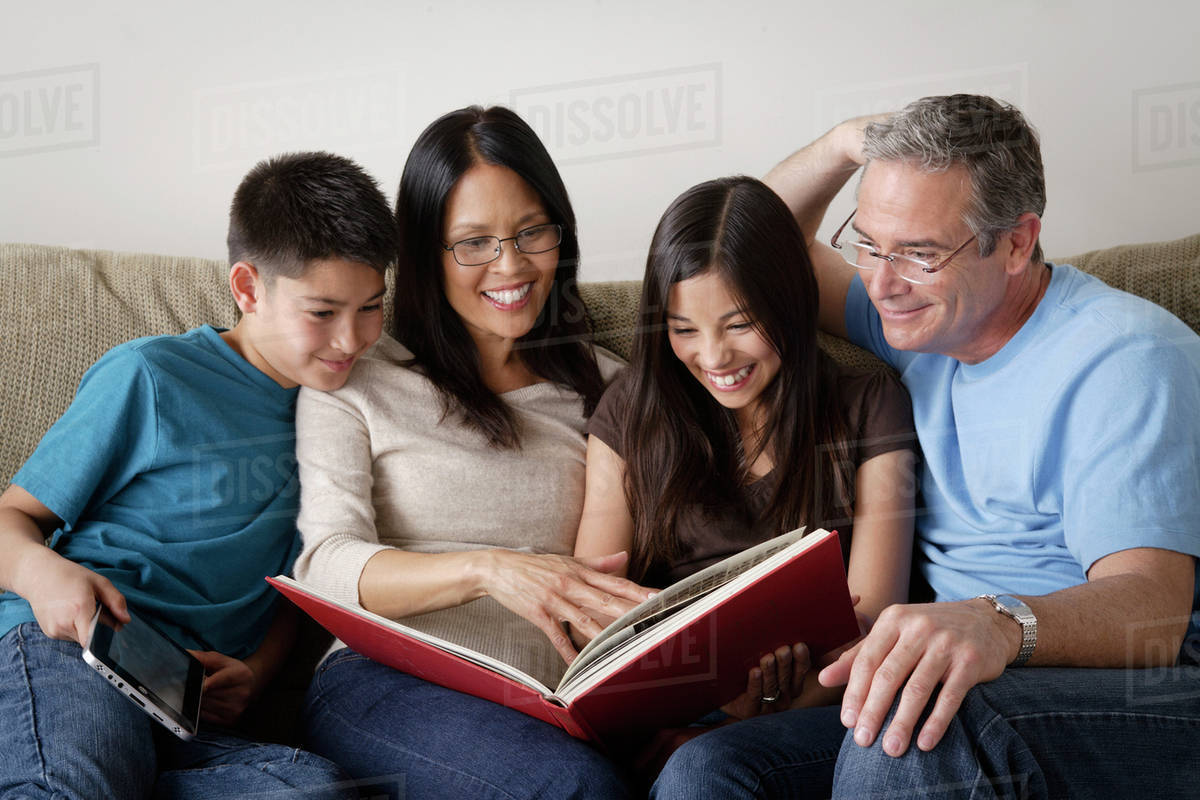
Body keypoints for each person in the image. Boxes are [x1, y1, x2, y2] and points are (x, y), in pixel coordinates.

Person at [750, 94, 1200, 798]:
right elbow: (756, 243)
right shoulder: (922, 322)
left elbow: (1154, 610)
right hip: (966, 679)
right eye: (867, 243)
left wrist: (997, 623)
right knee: (714, 768)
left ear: (1017, 242)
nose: (882, 281)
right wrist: (843, 142)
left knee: (913, 739)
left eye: (920, 254)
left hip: (1143, 687)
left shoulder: (1126, 357)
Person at [0, 151, 398, 799]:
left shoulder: (344, 419)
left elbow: (302, 583)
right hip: (68, 656)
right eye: (322, 312)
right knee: (70, 782)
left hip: (179, 711)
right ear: (248, 289)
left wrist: (257, 672)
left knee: (315, 791)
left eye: (372, 307)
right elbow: (11, 519)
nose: (351, 341)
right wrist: (42, 574)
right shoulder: (151, 375)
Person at [294, 105, 651, 799]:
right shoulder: (356, 380)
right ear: (426, 254)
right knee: (574, 790)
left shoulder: (615, 390)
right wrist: (492, 572)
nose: (510, 265)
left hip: (550, 704)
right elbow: (325, 565)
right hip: (384, 682)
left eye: (530, 233)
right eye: (474, 242)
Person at [573, 175, 917, 797]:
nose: (714, 356)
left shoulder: (871, 407)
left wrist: (762, 711)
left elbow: (870, 617)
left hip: (823, 705)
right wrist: (703, 702)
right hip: (668, 707)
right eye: (684, 329)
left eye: (739, 324)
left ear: (788, 301)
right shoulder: (632, 408)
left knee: (703, 773)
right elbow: (592, 607)